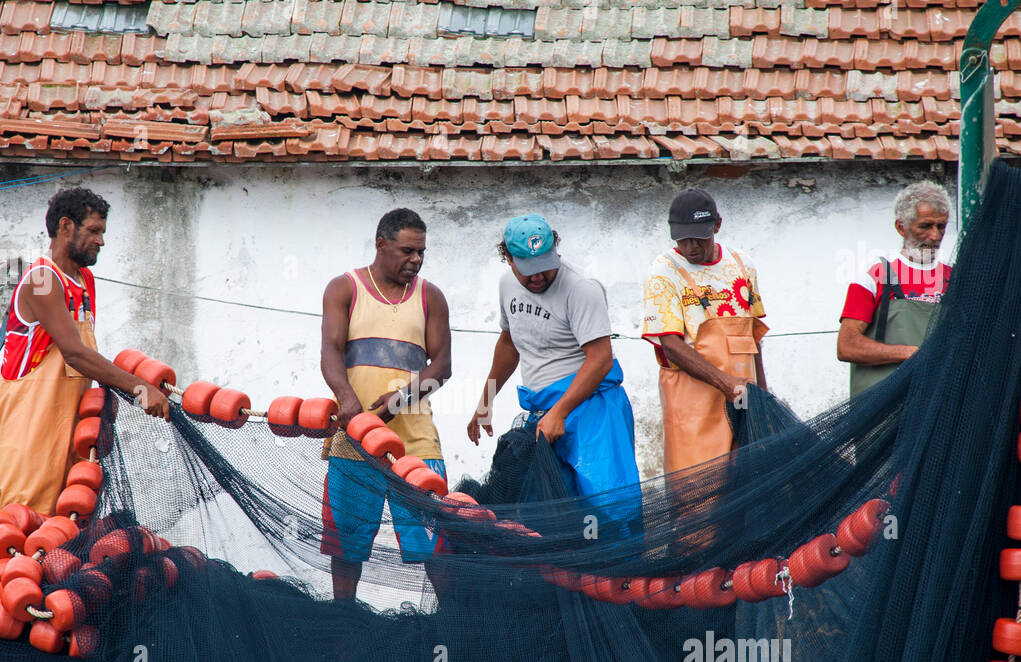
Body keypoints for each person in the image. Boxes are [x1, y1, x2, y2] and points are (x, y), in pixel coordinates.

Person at [0, 187, 169, 516]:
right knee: (26, 529)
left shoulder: (85, 280)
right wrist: (140, 387)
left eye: (102, 232)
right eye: (94, 231)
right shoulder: (42, 279)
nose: (101, 241)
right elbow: (75, 353)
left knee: (66, 535)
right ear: (66, 226)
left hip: (69, 433)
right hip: (31, 434)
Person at [319, 208, 452, 603]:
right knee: (347, 545)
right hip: (352, 440)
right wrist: (348, 401)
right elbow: (330, 350)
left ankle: (450, 623)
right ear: (381, 244)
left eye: (422, 252)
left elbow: (442, 366)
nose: (416, 260)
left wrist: (399, 401)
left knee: (433, 543)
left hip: (416, 443)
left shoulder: (431, 297)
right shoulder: (344, 288)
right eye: (407, 250)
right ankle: (343, 623)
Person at [467, 214, 641, 505]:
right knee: (549, 506)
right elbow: (510, 344)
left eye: (545, 268)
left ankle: (618, 553)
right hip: (542, 411)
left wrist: (560, 412)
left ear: (555, 251)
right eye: (528, 270)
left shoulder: (581, 289)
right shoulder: (507, 286)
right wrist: (486, 401)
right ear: (509, 259)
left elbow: (600, 360)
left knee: (607, 504)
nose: (538, 277)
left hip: (593, 411)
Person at [642, 188, 767, 476]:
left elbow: (754, 337)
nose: (691, 247)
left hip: (743, 399)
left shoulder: (742, 264)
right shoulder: (664, 271)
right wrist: (725, 383)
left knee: (747, 488)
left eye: (699, 237)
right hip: (693, 407)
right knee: (698, 493)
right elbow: (671, 344)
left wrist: (763, 397)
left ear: (718, 225)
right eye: (682, 239)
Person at [837, 181, 952, 397]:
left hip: (935, 402)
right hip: (881, 407)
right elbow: (847, 346)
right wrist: (908, 353)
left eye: (941, 226)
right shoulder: (874, 275)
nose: (935, 236)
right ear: (901, 227)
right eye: (925, 226)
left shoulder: (954, 278)